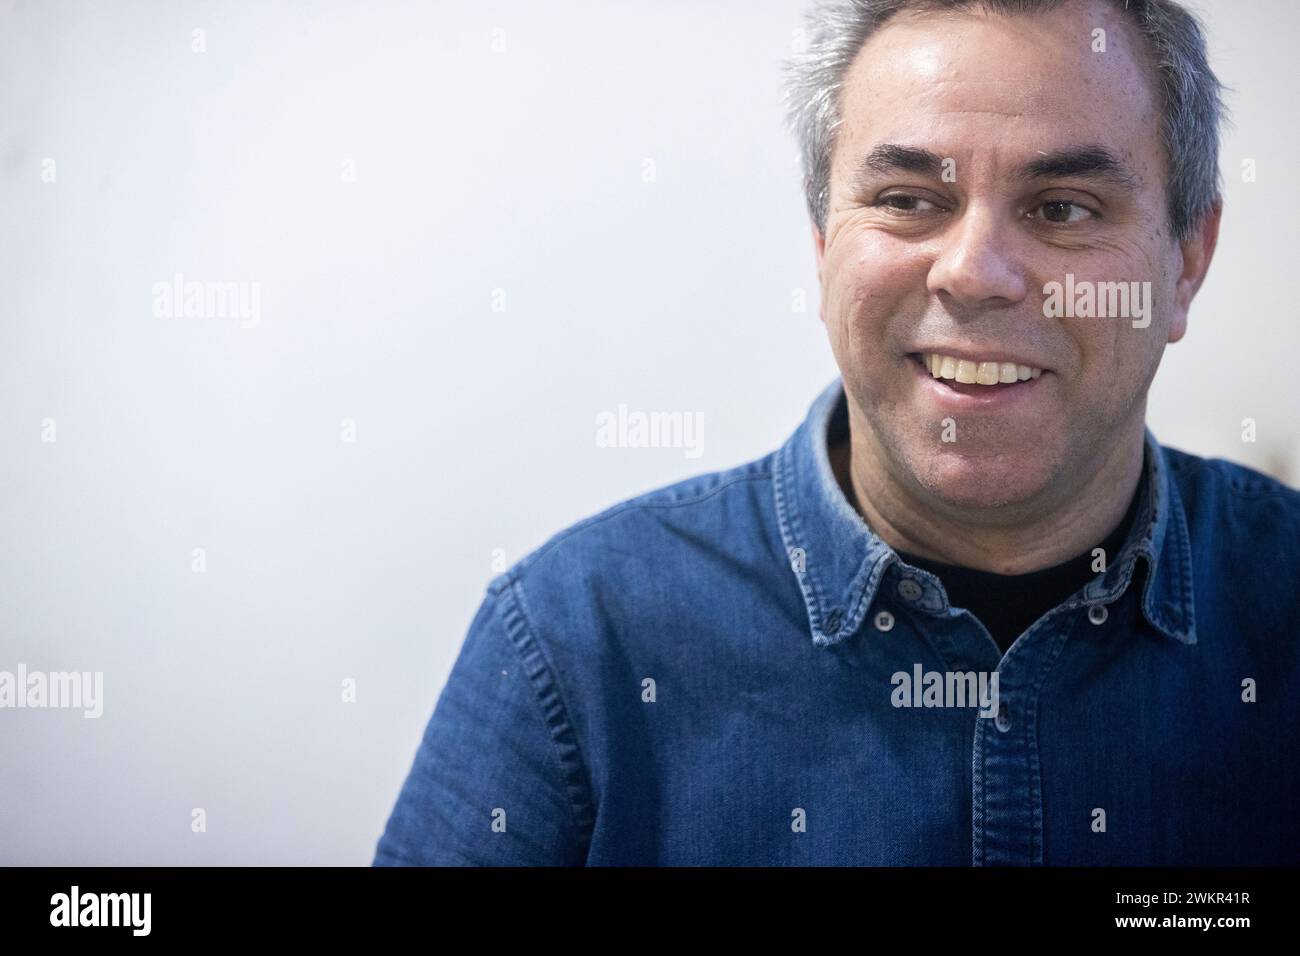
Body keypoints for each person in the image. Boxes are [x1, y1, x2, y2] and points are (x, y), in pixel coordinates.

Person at [374, 0, 1299, 865]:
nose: (974, 274)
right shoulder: (572, 640)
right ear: (823, 247)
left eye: (1062, 208)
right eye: (906, 199)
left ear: (1188, 260)